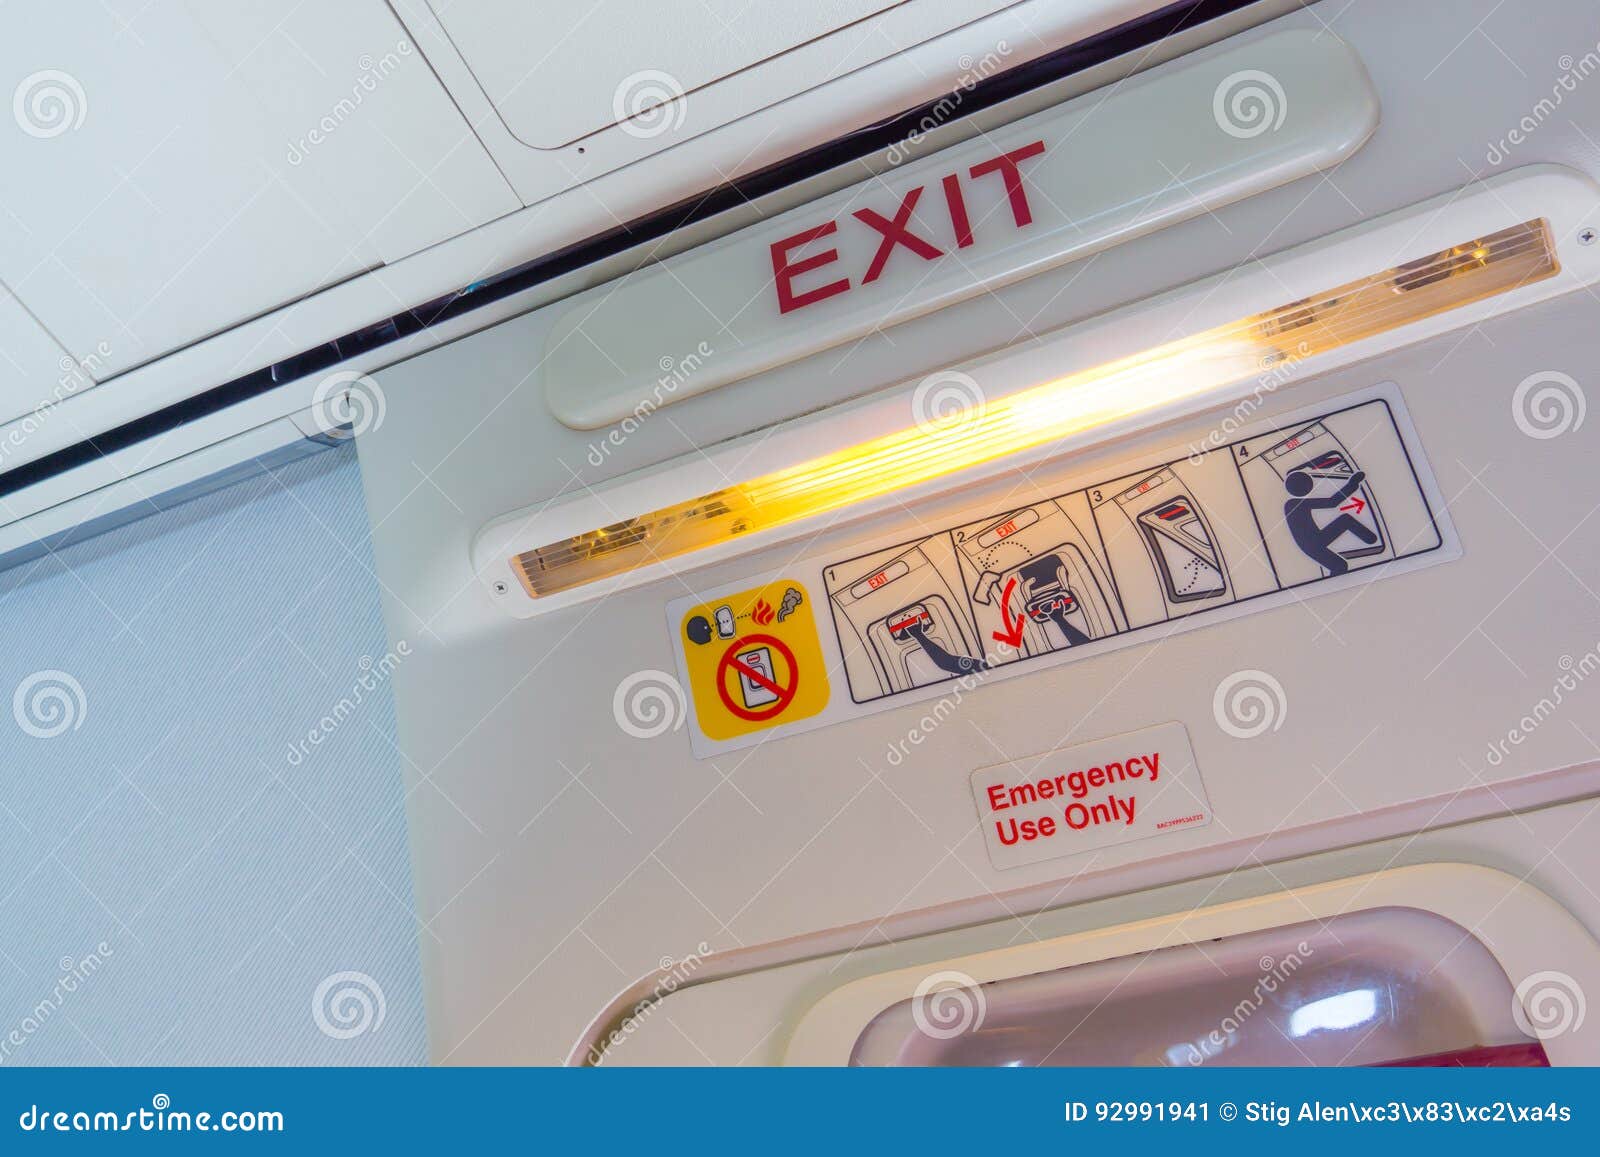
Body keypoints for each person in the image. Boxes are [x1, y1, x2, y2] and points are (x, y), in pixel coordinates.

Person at [1283, 468, 1377, 576]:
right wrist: (1352, 484)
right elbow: (1332, 502)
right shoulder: (1294, 504)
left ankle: (1371, 539)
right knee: (1340, 565)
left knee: (1345, 520)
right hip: (1313, 544)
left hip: (1316, 539)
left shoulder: (1292, 503)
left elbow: (1332, 502)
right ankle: (1371, 539)